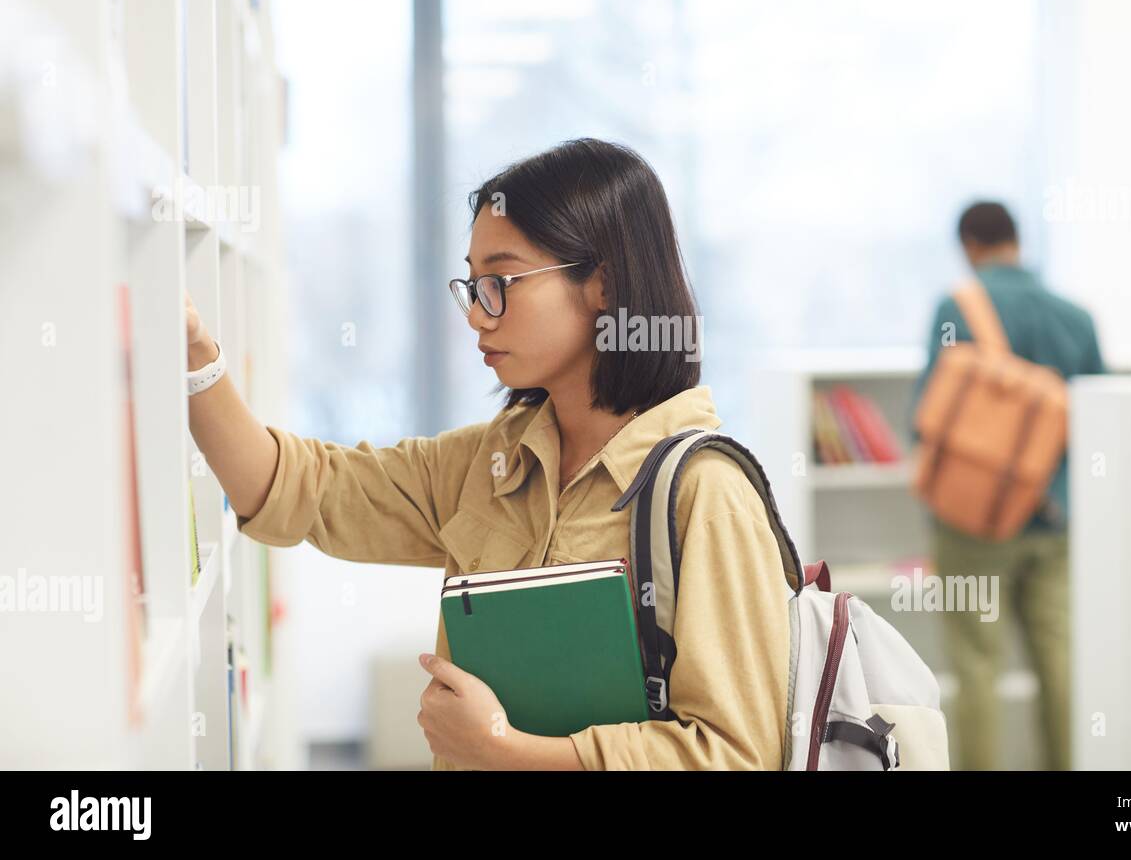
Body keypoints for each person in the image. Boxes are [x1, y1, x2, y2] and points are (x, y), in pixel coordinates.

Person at [185, 138, 790, 771]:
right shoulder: (490, 462)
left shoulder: (708, 494)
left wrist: (502, 749)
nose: (476, 315)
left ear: (604, 285)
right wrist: (198, 360)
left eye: (500, 282)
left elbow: (735, 756)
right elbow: (288, 489)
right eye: (471, 286)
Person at [912, 200, 1105, 771]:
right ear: (1017, 240)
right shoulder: (1077, 316)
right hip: (1053, 519)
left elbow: (929, 413)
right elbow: (1098, 424)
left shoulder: (958, 306)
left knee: (976, 664)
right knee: (1059, 659)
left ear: (970, 245)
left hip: (972, 520)